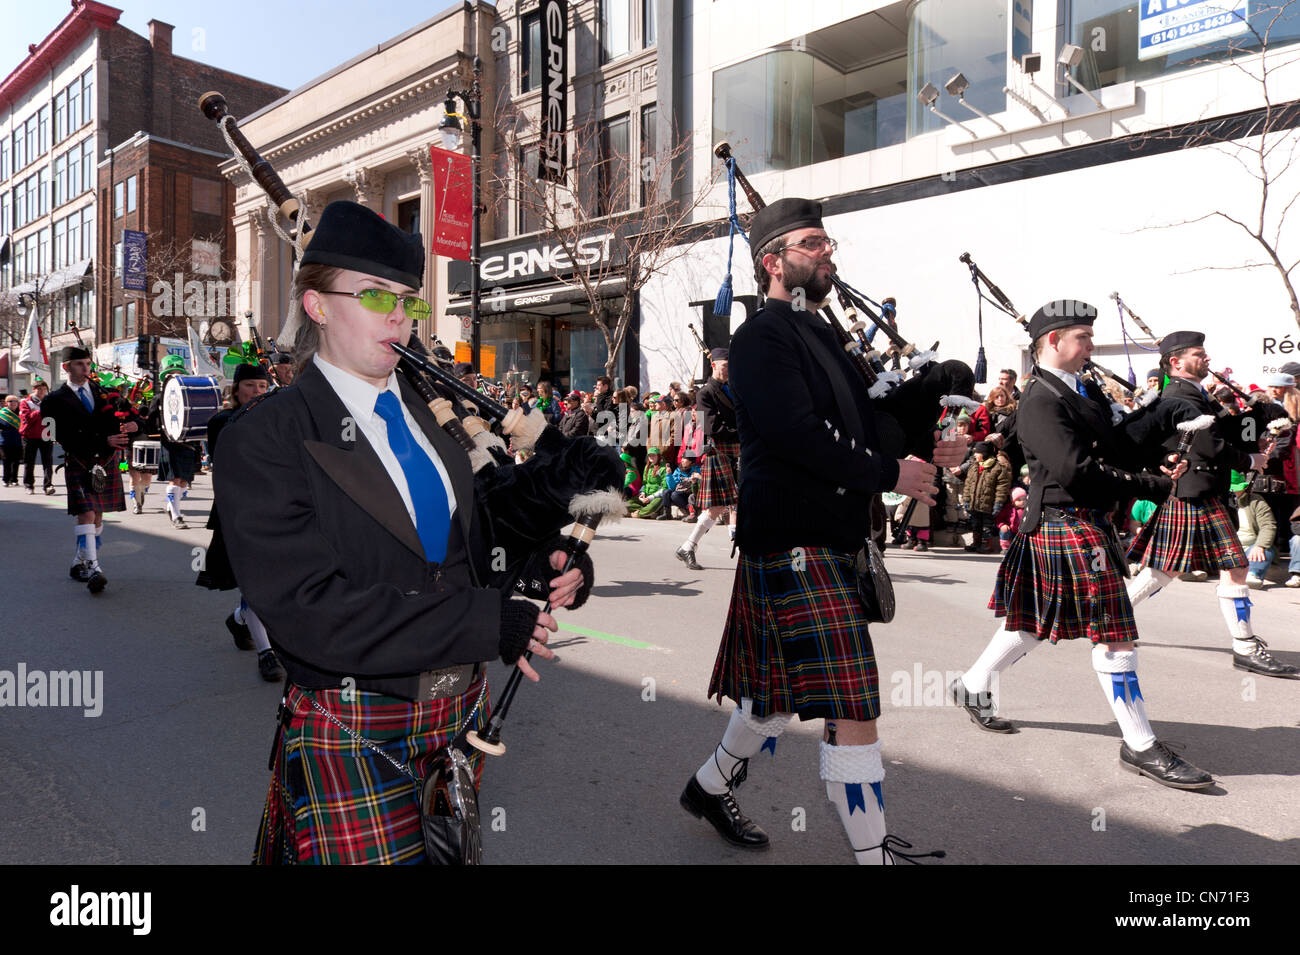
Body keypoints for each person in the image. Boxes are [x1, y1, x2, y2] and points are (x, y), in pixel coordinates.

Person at [215, 201, 596, 864]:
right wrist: (487, 623)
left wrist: (546, 562)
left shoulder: (437, 420)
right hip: (357, 720)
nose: (399, 315)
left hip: (457, 717)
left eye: (409, 301)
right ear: (316, 305)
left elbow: (476, 542)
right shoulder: (266, 437)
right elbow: (311, 611)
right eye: (374, 295)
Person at [680, 198, 966, 863]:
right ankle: (874, 858)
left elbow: (870, 421)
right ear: (773, 261)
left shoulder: (829, 334)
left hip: (831, 537)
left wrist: (924, 442)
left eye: (828, 241)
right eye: (813, 243)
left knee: (770, 702)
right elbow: (795, 434)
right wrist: (891, 472)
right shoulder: (762, 336)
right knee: (852, 706)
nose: (828, 252)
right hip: (792, 537)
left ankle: (708, 784)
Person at [951, 301, 1215, 790]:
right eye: (1083, 338)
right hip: (1065, 521)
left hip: (1078, 521)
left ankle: (972, 685)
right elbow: (1077, 470)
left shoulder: (1078, 388)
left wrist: (1160, 425)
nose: (1091, 347)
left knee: (1029, 624)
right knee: (1115, 636)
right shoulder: (1039, 400)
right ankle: (1139, 744)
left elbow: (1113, 446)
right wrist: (1149, 486)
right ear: (1053, 341)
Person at [1124, 331, 1296, 678]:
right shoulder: (1177, 395)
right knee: (1233, 567)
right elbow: (1209, 445)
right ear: (1176, 362)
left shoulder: (1196, 392)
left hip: (1202, 491)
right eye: (1199, 355)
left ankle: (1109, 616)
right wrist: (1251, 461)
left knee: (1165, 570)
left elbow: (1231, 432)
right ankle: (1245, 647)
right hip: (1193, 490)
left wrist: (1258, 415)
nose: (1207, 360)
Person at [196, 362, 284, 682]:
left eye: (263, 387)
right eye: (250, 386)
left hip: (277, 510)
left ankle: (238, 620)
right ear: (236, 390)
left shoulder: (277, 420)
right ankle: (266, 653)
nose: (257, 392)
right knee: (254, 583)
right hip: (238, 512)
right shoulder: (222, 421)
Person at [41, 347, 142, 593]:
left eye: (87, 363)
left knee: (97, 516)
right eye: (79, 364)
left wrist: (134, 424)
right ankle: (94, 568)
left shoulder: (105, 393)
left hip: (107, 461)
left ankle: (80, 561)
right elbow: (52, 436)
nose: (85, 368)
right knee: (86, 514)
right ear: (66, 367)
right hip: (79, 460)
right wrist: (102, 441)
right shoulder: (52, 400)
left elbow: (137, 418)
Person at [676, 348, 739, 569]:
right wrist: (743, 431)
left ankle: (688, 547)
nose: (729, 370)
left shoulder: (734, 387)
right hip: (720, 450)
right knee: (717, 506)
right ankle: (688, 546)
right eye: (725, 366)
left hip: (737, 450)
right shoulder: (705, 393)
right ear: (714, 365)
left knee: (736, 502)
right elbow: (712, 427)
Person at [144, 355, 203, 529]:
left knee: (184, 482)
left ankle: (171, 506)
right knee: (175, 479)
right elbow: (151, 422)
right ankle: (176, 515)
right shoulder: (159, 397)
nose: (175, 377)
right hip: (169, 442)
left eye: (178, 374)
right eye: (171, 374)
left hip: (188, 442)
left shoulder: (190, 394)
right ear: (166, 377)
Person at [1230, 471, 1277, 589]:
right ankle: (1193, 569)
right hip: (1227, 547)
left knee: (1265, 550)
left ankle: (1253, 574)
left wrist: (1260, 545)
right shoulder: (1218, 501)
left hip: (1250, 547)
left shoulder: (1256, 501)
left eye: (1235, 489)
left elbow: (1268, 525)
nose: (1233, 492)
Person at [962, 440, 1010, 554]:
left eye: (977, 452)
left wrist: (998, 503)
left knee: (987, 525)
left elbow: (1002, 487)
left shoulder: (997, 468)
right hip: (975, 503)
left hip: (988, 503)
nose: (974, 455)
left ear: (984, 453)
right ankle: (976, 543)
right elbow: (968, 484)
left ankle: (986, 545)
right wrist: (966, 499)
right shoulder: (974, 466)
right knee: (975, 524)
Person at [19, 381, 56, 495]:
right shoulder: (26, 402)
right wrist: (40, 411)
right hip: (30, 436)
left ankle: (48, 485)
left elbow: (53, 418)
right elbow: (27, 419)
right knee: (29, 462)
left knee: (48, 462)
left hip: (46, 435)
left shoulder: (50, 401)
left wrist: (54, 435)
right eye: (39, 389)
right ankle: (29, 485)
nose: (41, 391)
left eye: (44, 389)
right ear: (33, 389)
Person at [0, 395, 23, 485]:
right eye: (10, 401)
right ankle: (6, 479)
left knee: (16, 460)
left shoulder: (20, 413)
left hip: (18, 440)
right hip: (4, 440)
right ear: (6, 403)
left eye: (15, 401)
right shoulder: (2, 413)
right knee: (6, 460)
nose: (13, 403)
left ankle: (14, 479)